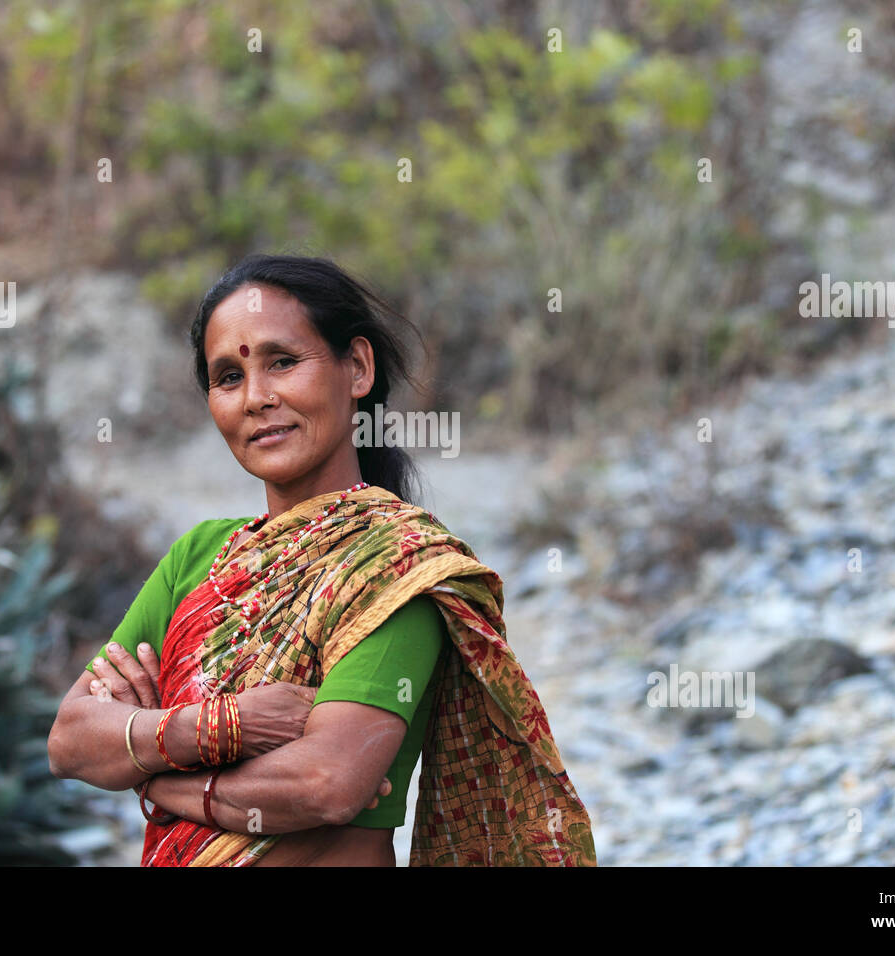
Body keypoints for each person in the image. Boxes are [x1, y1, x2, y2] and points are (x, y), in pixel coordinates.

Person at [48, 254, 595, 866]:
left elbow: (326, 784)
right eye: (227, 376)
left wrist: (157, 771)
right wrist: (223, 726)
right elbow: (70, 739)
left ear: (356, 368)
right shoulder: (198, 556)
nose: (256, 397)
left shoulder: (396, 568)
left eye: (283, 362)